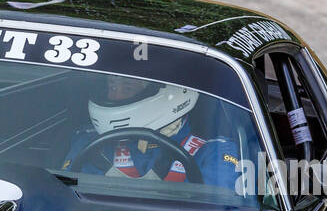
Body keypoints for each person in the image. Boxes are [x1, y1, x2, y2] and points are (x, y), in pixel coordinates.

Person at [61, 75, 241, 186]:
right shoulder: (90, 143)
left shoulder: (214, 153)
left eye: (128, 88)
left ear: (174, 92)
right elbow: (65, 203)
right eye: (112, 86)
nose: (114, 96)